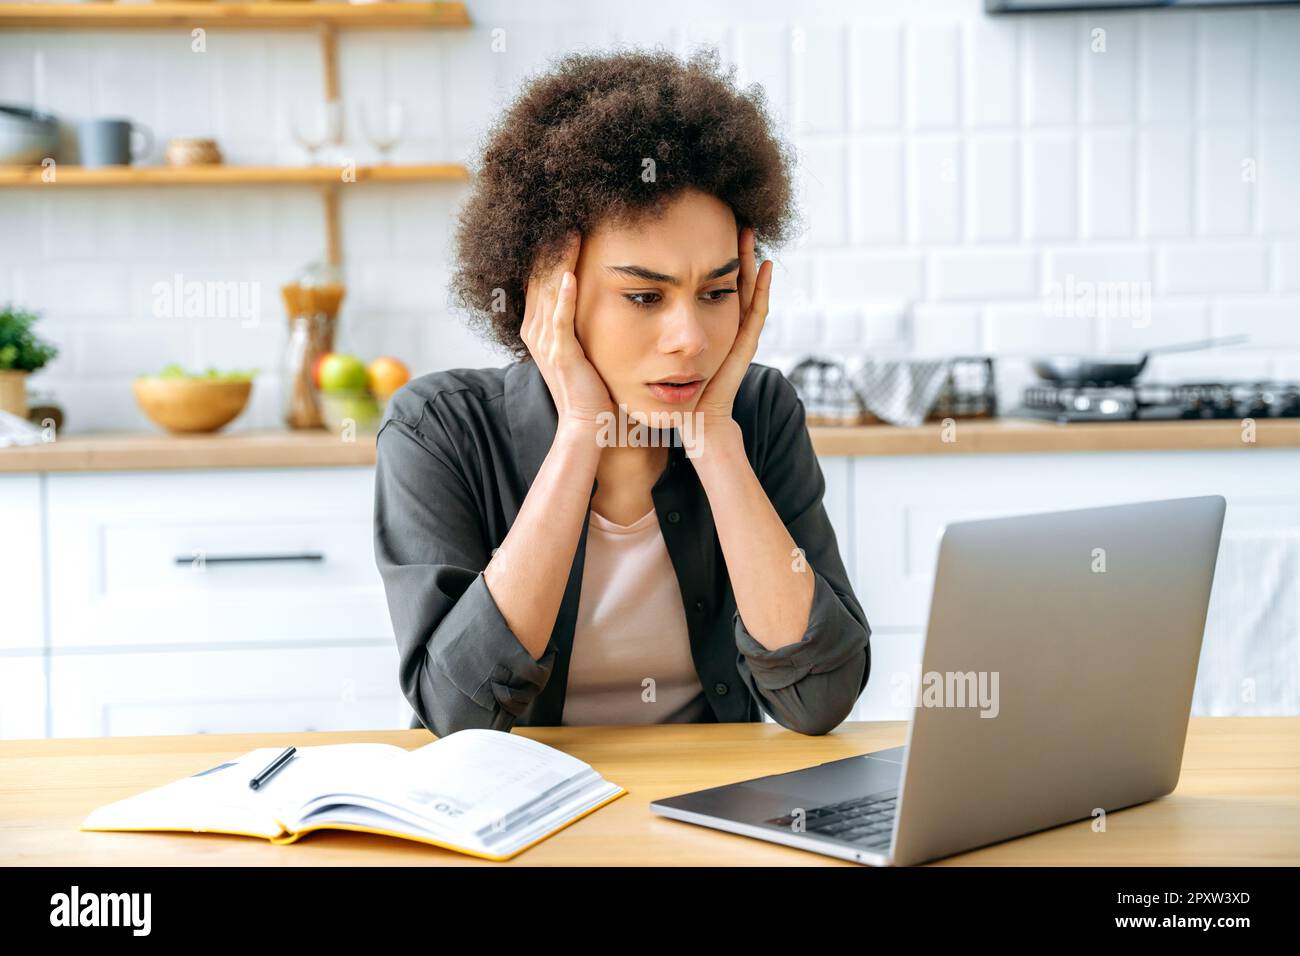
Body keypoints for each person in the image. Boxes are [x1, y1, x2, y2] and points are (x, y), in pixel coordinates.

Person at [373, 46, 871, 737]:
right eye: (644, 296)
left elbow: (820, 700)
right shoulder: (437, 429)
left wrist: (717, 444)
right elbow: (459, 716)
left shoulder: (758, 414)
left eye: (717, 292)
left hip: (710, 794)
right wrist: (581, 433)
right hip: (520, 800)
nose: (690, 339)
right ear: (549, 288)